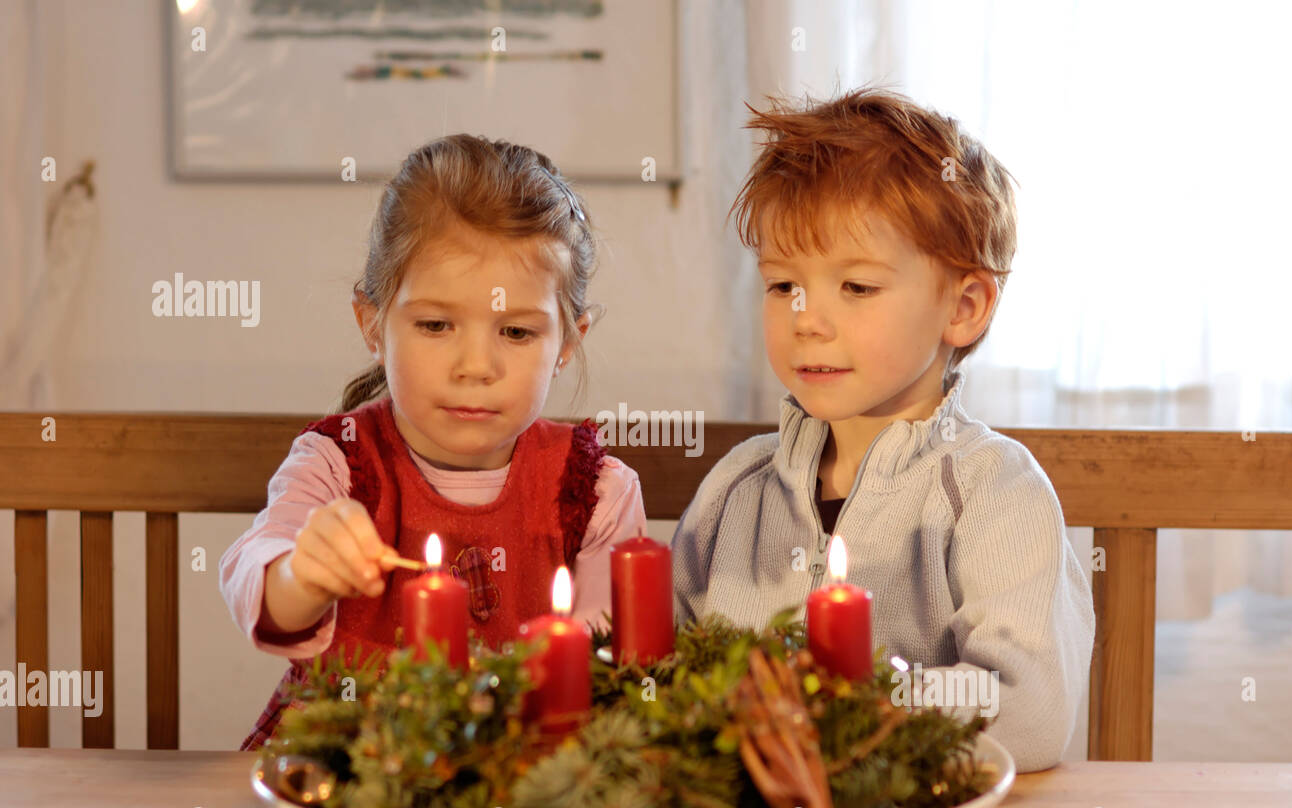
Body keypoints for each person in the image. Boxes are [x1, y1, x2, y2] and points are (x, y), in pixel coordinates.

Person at [671, 88, 1094, 772]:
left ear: (963, 306)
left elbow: (1032, 709)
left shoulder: (994, 492)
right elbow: (657, 673)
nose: (807, 319)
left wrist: (848, 704)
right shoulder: (734, 490)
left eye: (858, 288)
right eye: (784, 286)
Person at [220, 135, 646, 752]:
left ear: (568, 344)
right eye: (436, 325)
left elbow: (606, 660)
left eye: (518, 331)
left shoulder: (598, 492)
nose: (476, 365)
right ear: (373, 324)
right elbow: (258, 587)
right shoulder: (336, 466)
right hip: (351, 772)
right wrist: (303, 575)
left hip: (521, 774)